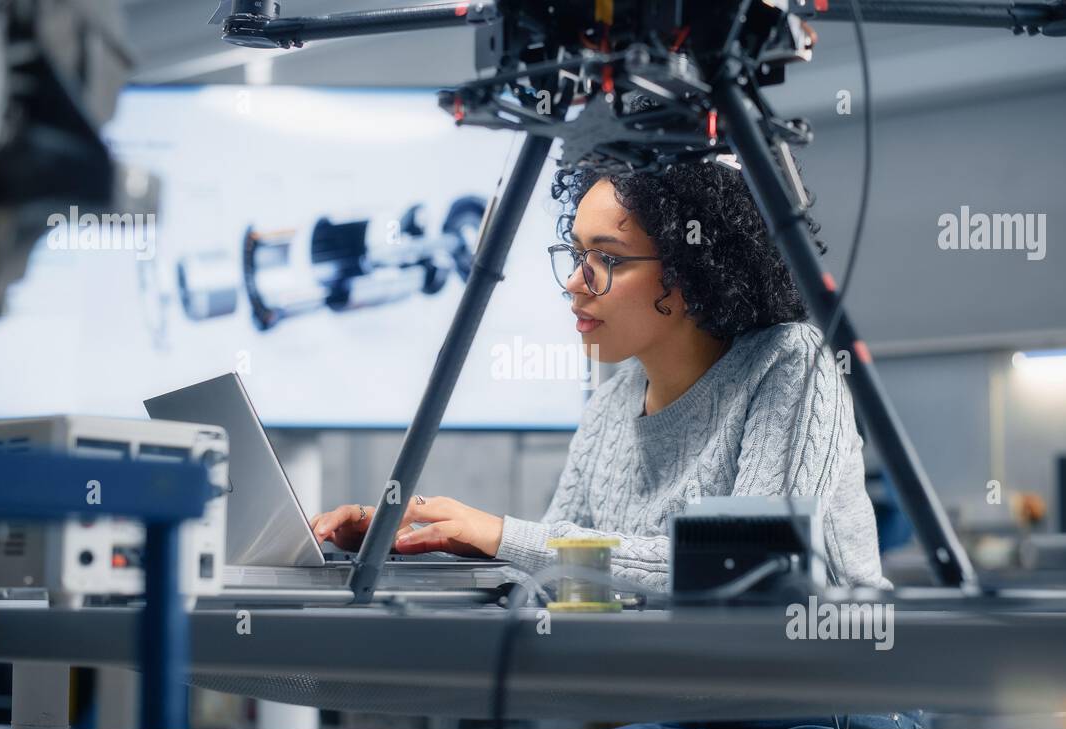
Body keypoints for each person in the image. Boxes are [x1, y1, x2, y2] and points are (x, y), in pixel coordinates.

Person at [310, 157, 888, 595]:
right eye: (576, 252)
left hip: (827, 705)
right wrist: (417, 540)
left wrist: (501, 534)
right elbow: (564, 574)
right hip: (701, 704)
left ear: (698, 270)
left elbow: (753, 566)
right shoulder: (610, 408)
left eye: (609, 259)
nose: (576, 282)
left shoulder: (791, 363)